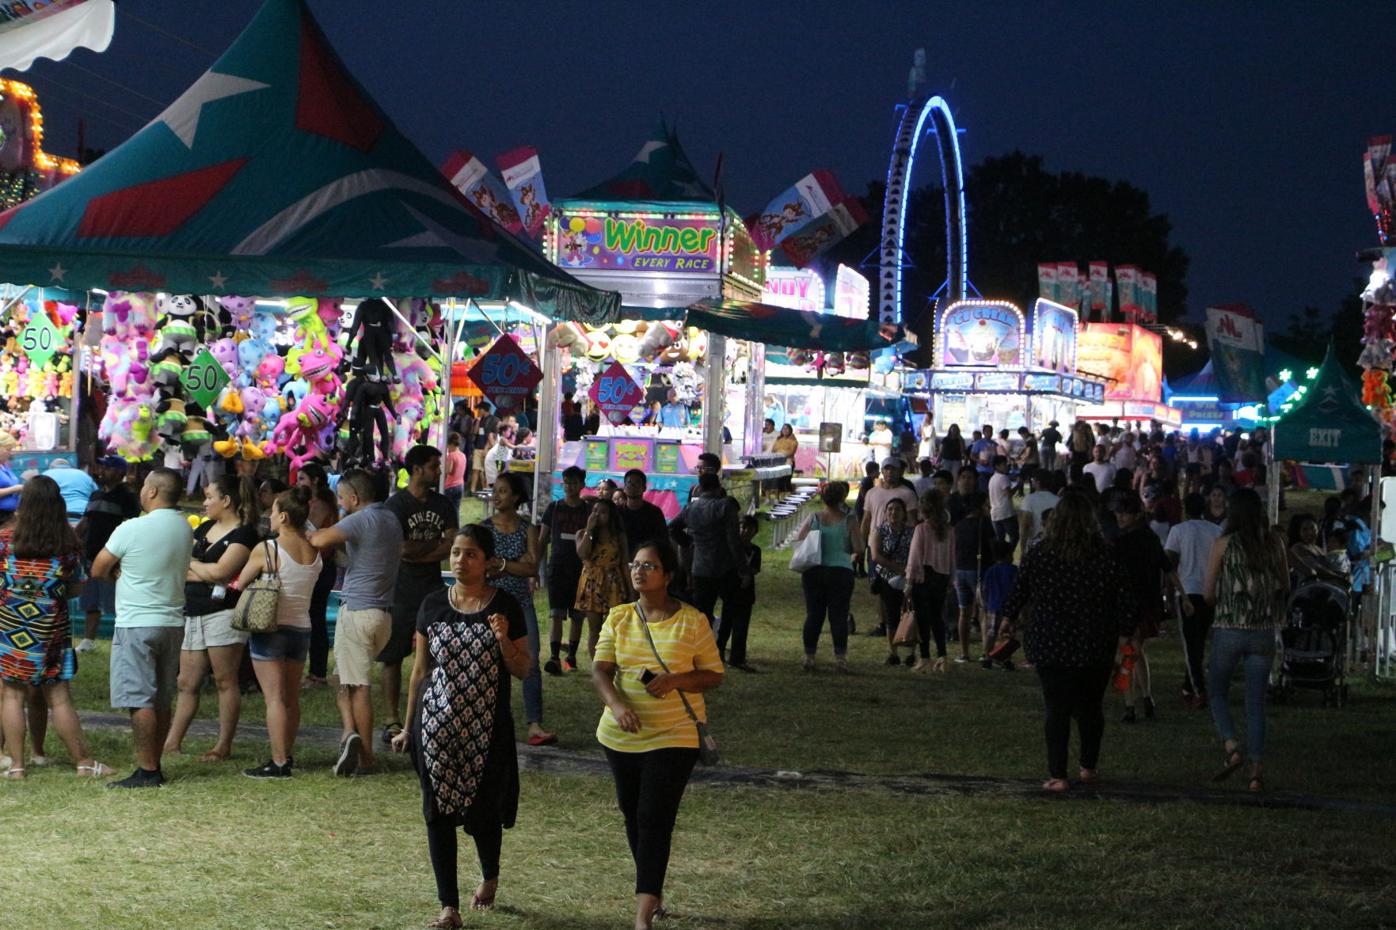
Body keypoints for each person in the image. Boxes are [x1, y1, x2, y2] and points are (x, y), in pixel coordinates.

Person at [390, 524, 530, 928]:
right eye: (455, 552)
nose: (460, 560)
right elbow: (419, 672)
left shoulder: (504, 606)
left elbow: (523, 669)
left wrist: (504, 641)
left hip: (486, 729)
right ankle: (448, 906)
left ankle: (489, 876)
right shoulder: (433, 604)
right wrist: (408, 725)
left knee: (484, 813)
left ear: (487, 561)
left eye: (470, 554)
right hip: (435, 726)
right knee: (437, 812)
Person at [590, 539, 723, 930]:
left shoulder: (692, 620)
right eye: (635, 565)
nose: (638, 571)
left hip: (675, 734)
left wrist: (677, 679)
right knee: (633, 813)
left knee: (653, 815)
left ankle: (642, 913)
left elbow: (713, 676)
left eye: (649, 566)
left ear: (667, 574)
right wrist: (616, 705)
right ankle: (653, 888)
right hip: (621, 735)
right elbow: (600, 670)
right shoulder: (619, 616)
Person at [1000, 488, 1135, 792]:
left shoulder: (1041, 553)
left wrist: (1008, 617)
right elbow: (1124, 598)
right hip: (1095, 640)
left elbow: (1021, 589)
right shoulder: (1106, 555)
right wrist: (1126, 633)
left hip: (1050, 641)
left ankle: (1058, 774)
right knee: (1090, 707)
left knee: (1056, 709)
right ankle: (1088, 766)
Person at [0, 476, 114, 781]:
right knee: (59, 697)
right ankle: (83, 762)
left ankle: (16, 767)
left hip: (9, 628)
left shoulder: (4, 541)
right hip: (51, 628)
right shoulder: (67, 545)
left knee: (11, 696)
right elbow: (76, 589)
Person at [90, 467, 194, 789]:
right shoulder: (183, 527)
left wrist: (116, 573)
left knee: (139, 698)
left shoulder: (131, 528)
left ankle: (147, 769)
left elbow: (98, 567)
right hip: (172, 622)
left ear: (150, 492)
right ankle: (155, 764)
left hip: (137, 621)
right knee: (161, 698)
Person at [309, 469, 403, 777]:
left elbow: (320, 539)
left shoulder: (360, 519)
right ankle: (348, 733)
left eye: (340, 498)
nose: (339, 503)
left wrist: (312, 526)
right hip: (383, 614)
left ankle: (366, 758)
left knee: (358, 685)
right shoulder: (390, 519)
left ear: (354, 498)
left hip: (359, 611)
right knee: (343, 680)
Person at [164, 476, 260, 761]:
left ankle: (223, 745)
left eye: (209, 497)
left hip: (223, 612)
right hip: (193, 610)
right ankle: (172, 741)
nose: (204, 503)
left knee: (224, 680)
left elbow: (223, 572)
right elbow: (185, 565)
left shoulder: (245, 534)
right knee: (186, 681)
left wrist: (195, 567)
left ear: (226, 501)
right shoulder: (205, 528)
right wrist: (204, 568)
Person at [1202, 487, 1289, 793]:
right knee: (1255, 702)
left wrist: (1226, 604)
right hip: (1262, 631)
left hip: (1229, 628)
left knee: (1216, 691)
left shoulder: (1223, 544)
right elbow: (1284, 584)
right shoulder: (1274, 543)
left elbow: (1208, 592)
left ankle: (1231, 746)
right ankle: (1255, 771)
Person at [234, 486, 322, 778]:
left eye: (272, 511)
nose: (269, 516)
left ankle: (279, 760)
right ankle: (287, 751)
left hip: (270, 626)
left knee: (273, 697)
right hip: (301, 627)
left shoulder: (267, 549)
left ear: (283, 516)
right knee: (291, 696)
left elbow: (242, 581)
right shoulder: (314, 549)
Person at [383, 446, 459, 747]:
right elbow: (400, 550)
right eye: (433, 466)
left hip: (432, 589)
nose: (439, 471)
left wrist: (421, 552)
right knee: (393, 655)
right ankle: (391, 719)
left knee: (431, 656)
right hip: (401, 589)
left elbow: (452, 544)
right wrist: (435, 547)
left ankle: (426, 715)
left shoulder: (443, 504)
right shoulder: (396, 505)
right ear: (416, 469)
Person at [484, 471, 555, 746]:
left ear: (515, 496)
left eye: (502, 491)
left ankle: (534, 723)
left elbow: (531, 568)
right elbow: (487, 567)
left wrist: (501, 564)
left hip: (520, 603)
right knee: (489, 663)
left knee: (531, 662)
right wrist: (514, 563)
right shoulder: (485, 529)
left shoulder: (529, 528)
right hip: (490, 604)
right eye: (495, 490)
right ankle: (489, 719)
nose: (496, 495)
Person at [1112, 495, 1188, 723]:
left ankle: (1130, 705)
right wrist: (1183, 596)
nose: (1120, 516)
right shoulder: (1150, 539)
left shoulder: (1121, 543)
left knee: (1128, 651)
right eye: (1119, 511)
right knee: (1136, 650)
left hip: (1129, 604)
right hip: (1147, 604)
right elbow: (1167, 568)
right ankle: (1146, 698)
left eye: (1125, 512)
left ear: (1136, 515)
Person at [75, 456, 140, 653]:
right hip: (91, 553)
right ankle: (88, 640)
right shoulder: (95, 495)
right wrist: (74, 541)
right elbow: (86, 522)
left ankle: (123, 642)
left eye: (108, 468)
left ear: (120, 472)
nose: (102, 470)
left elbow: (132, 525)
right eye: (102, 466)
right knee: (91, 599)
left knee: (117, 600)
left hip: (114, 556)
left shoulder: (127, 496)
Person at [670, 472, 749, 631]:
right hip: (725, 567)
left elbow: (673, 527)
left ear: (699, 488)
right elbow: (733, 540)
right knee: (730, 610)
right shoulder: (725, 506)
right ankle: (720, 646)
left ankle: (702, 648)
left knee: (702, 612)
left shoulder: (691, 507)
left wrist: (688, 542)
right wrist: (743, 569)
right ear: (719, 488)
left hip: (700, 567)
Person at [795, 481, 860, 672]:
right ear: (842, 498)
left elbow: (799, 540)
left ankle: (809, 656)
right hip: (841, 572)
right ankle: (840, 658)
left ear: (822, 498)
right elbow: (859, 547)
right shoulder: (850, 521)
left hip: (814, 571)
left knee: (814, 615)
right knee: (838, 616)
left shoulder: (814, 518)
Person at [1167, 493, 1224, 708]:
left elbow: (1169, 564)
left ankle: (1199, 689)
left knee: (1191, 644)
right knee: (1198, 641)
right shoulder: (1216, 531)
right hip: (1210, 591)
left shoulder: (1178, 531)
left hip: (1187, 591)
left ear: (1184, 508)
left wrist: (1171, 596)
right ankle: (1188, 686)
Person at [539, 466, 591, 675]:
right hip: (558, 567)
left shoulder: (587, 511)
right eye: (567, 482)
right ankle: (554, 657)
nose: (570, 487)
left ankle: (571, 657)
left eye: (574, 483)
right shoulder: (555, 508)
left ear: (582, 485)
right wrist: (536, 568)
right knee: (556, 614)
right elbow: (543, 538)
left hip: (581, 569)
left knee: (578, 615)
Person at [296, 462, 339, 689]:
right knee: (314, 617)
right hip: (317, 565)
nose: (297, 483)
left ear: (314, 481)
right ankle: (315, 671)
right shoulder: (317, 503)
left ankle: (317, 673)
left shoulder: (320, 504)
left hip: (321, 566)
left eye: (302, 479)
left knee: (315, 619)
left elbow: (311, 534)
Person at [575, 497, 632, 664]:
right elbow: (582, 554)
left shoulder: (618, 536)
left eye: (603, 512)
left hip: (613, 583)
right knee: (594, 628)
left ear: (611, 516)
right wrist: (589, 530)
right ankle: (597, 666)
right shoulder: (582, 533)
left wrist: (631, 591)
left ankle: (612, 663)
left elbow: (624, 563)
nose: (598, 515)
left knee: (613, 627)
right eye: (595, 511)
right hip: (591, 584)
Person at [907, 488, 953, 672]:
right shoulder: (949, 530)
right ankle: (942, 656)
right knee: (937, 618)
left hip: (923, 577)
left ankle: (925, 657)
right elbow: (952, 557)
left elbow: (915, 557)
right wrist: (950, 578)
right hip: (941, 577)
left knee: (923, 620)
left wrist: (909, 581)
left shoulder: (921, 529)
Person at [870, 497, 915, 667]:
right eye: (890, 509)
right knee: (891, 615)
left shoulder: (912, 532)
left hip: (909, 577)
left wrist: (908, 570)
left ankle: (912, 652)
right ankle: (893, 652)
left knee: (911, 612)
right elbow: (876, 555)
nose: (893, 512)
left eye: (897, 509)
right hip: (887, 578)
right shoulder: (879, 531)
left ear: (904, 513)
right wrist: (897, 568)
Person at [952, 492, 995, 663]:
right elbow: (992, 546)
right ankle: (985, 653)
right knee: (984, 612)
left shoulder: (959, 525)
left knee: (964, 613)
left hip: (960, 570)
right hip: (979, 571)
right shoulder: (984, 524)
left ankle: (964, 652)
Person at [715, 515, 761, 671]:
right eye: (741, 527)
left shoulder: (755, 550)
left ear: (755, 531)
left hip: (746, 594)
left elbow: (755, 569)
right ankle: (718, 651)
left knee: (741, 626)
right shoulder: (730, 548)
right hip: (730, 591)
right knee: (726, 624)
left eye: (748, 528)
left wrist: (747, 574)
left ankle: (737, 657)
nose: (744, 531)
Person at [979, 541, 1019, 670]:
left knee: (991, 633)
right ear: (1008, 555)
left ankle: (987, 657)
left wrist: (986, 603)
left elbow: (984, 589)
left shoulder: (991, 570)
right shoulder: (1013, 570)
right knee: (1007, 634)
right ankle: (1005, 660)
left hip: (993, 606)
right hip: (1009, 609)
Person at [617, 469, 668, 558]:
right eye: (629, 482)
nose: (632, 485)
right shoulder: (616, 511)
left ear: (644, 488)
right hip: (621, 559)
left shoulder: (654, 512)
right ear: (624, 488)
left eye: (636, 482)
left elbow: (662, 540)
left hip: (646, 559)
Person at [43, 457, 98, 524]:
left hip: (54, 518)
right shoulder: (83, 474)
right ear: (69, 467)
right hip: (82, 517)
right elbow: (97, 495)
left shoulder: (45, 475)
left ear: (51, 468)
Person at [1018, 466, 1058, 550]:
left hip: (1034, 545)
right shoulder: (1058, 500)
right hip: (1054, 545)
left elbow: (1024, 526)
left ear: (1038, 482)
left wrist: (1022, 548)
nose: (1031, 481)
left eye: (1033, 479)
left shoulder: (1028, 500)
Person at [987, 455, 1018, 550]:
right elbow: (1009, 494)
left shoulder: (992, 479)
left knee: (1000, 539)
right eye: (1004, 464)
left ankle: (1000, 557)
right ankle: (1009, 552)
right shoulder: (1003, 478)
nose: (1006, 466)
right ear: (997, 466)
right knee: (1014, 536)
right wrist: (1018, 485)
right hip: (1006, 512)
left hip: (995, 513)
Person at [0, 433, 22, 528]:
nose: (11, 453)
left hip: (8, 516)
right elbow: (13, 488)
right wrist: (14, 489)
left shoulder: (4, 466)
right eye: (8, 449)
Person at [443, 433, 467, 517]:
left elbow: (449, 470)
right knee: (456, 510)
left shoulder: (451, 455)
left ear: (450, 444)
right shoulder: (463, 455)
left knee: (447, 510)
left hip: (450, 486)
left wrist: (444, 467)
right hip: (460, 485)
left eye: (448, 446)